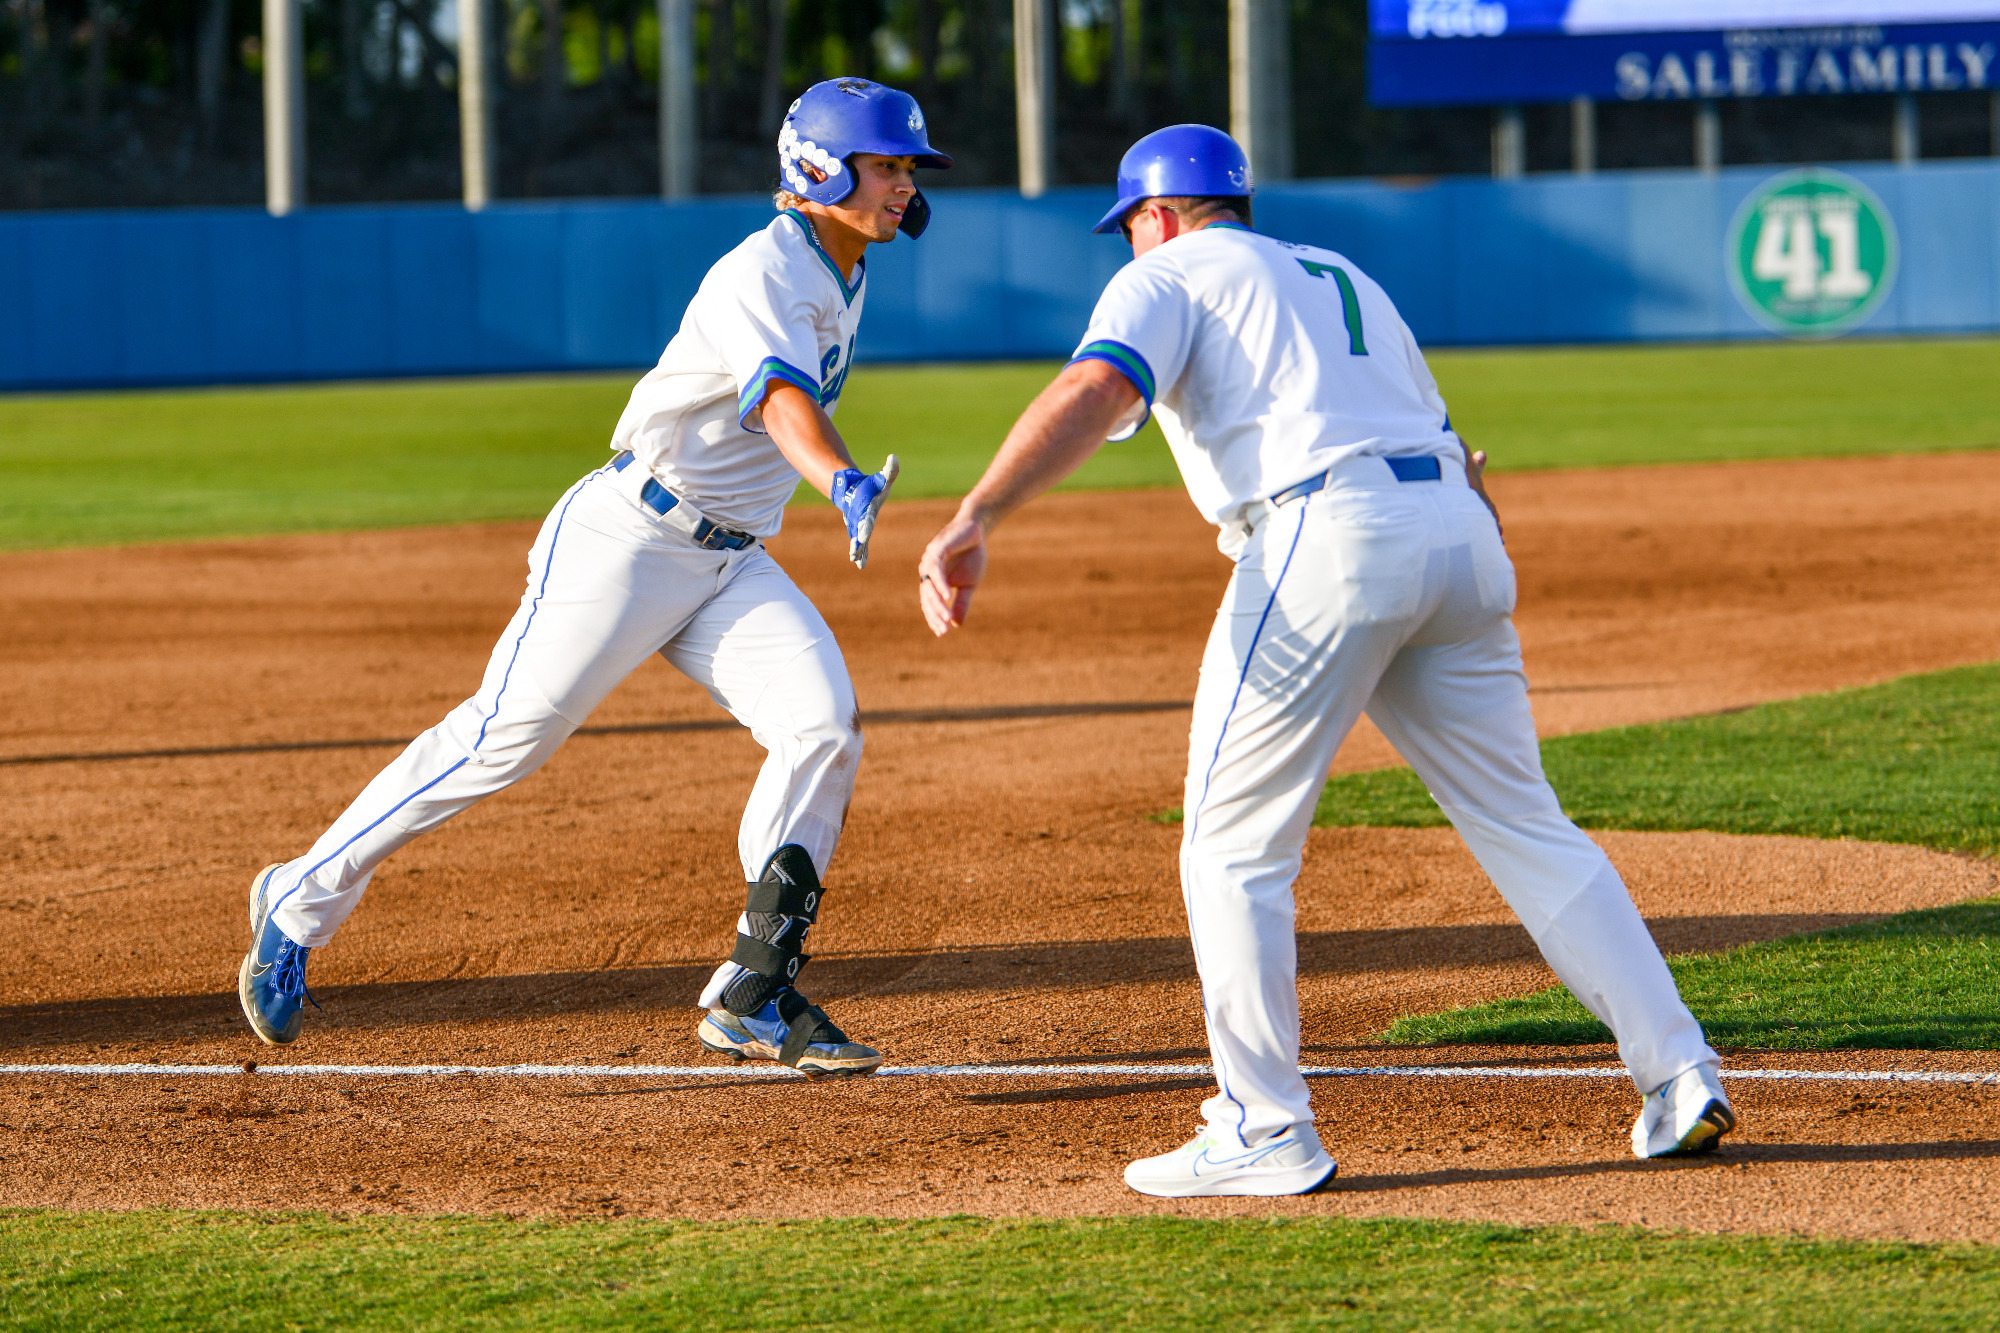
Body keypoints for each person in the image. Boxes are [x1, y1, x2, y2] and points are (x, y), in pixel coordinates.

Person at [917, 124, 1735, 1196]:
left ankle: (1262, 1127)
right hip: (1456, 532)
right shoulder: (1342, 275)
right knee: (1527, 824)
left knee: (1231, 850)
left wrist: (976, 512)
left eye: (1131, 226)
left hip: (1327, 538)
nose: (1130, 244)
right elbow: (1452, 442)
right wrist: (1456, 557)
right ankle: (1677, 1071)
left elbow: (1097, 389)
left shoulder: (1169, 272)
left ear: (1157, 216)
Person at [238, 78, 950, 1079]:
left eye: (908, 167)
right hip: (628, 541)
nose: (903, 184)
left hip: (729, 560)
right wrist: (838, 477)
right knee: (500, 741)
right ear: (820, 169)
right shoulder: (767, 268)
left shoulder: (845, 265)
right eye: (884, 165)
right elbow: (780, 398)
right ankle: (299, 898)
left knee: (822, 726)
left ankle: (754, 989)